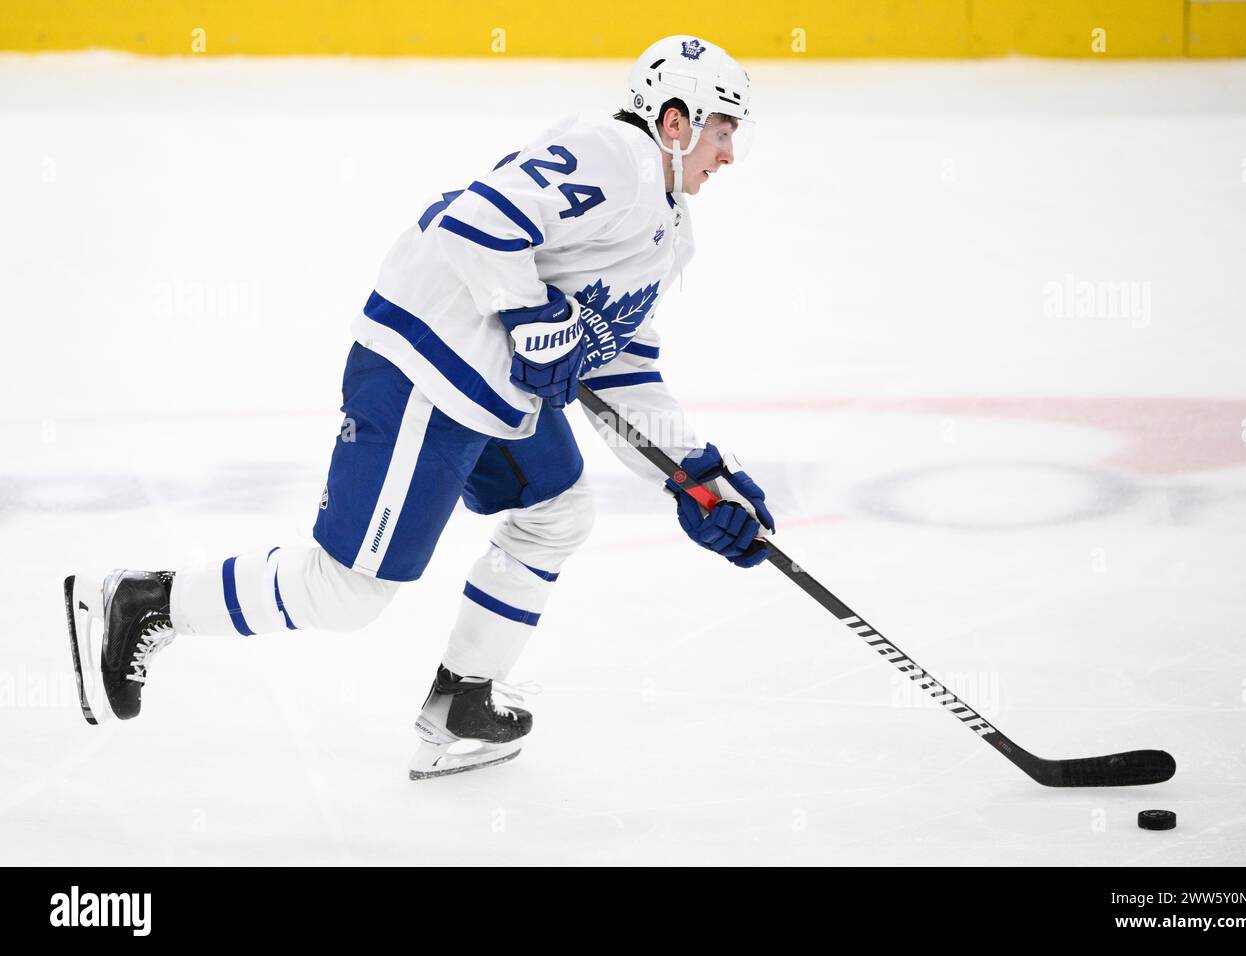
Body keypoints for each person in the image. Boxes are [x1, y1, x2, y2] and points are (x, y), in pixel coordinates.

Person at [63, 35, 776, 778]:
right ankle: (144, 602)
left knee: (559, 509)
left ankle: (461, 698)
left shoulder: (669, 235)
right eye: (721, 130)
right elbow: (478, 220)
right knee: (345, 592)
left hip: (490, 391)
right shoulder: (613, 156)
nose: (727, 154)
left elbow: (622, 367)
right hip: (429, 370)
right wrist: (530, 314)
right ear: (674, 120)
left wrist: (695, 471)